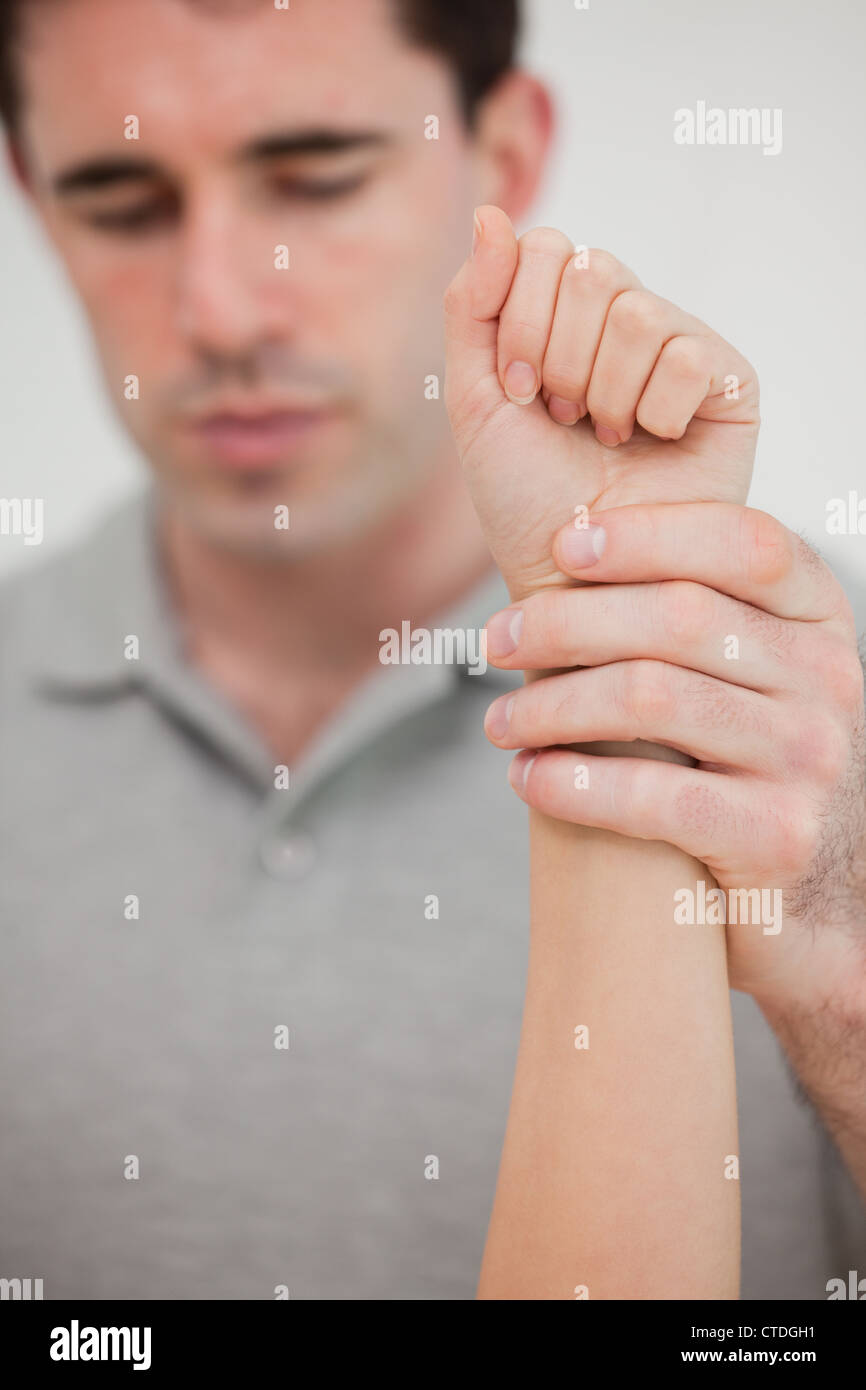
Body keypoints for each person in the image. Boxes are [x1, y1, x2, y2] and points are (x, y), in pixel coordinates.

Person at [0, 0, 863, 1299]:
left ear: (503, 158)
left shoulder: (814, 700)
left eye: (317, 180)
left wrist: (841, 992)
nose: (221, 309)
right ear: (27, 187)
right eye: (122, 203)